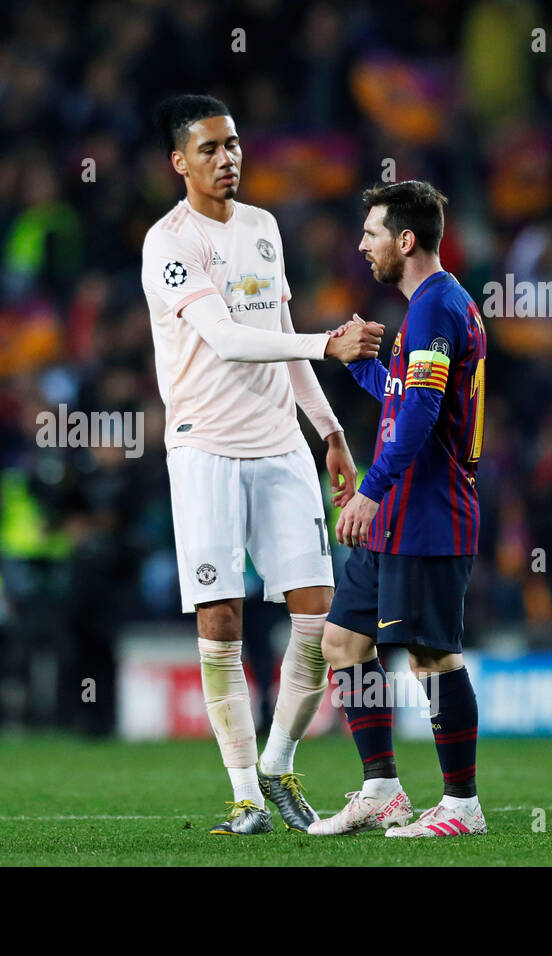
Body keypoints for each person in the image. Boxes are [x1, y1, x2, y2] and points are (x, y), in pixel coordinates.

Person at [140, 94, 383, 835]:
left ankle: (277, 764)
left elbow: (273, 329)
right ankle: (244, 792)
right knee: (222, 617)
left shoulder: (264, 228)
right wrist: (327, 343)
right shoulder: (168, 243)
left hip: (280, 444)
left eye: (235, 144)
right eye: (210, 148)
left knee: (317, 615)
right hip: (206, 444)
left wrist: (330, 430)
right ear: (180, 162)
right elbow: (228, 339)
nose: (228, 158)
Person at [309, 180, 488, 838]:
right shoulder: (427, 312)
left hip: (426, 512)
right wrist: (366, 368)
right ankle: (382, 788)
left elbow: (422, 413)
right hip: (395, 516)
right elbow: (405, 397)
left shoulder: (440, 307)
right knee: (343, 642)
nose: (361, 245)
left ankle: (462, 805)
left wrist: (371, 488)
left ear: (405, 241)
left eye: (372, 234)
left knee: (431, 656)